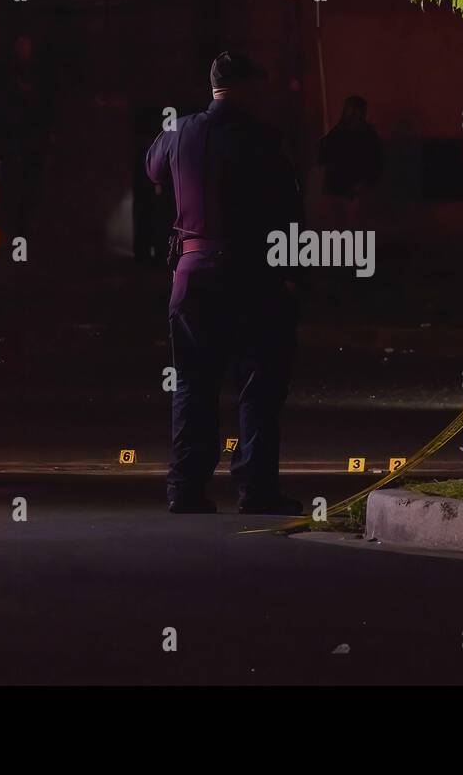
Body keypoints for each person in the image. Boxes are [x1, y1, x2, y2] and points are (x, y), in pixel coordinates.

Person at [145, 51, 304, 515]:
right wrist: (294, 275)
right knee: (259, 381)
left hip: (192, 277)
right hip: (251, 276)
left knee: (193, 382)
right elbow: (286, 213)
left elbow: (152, 169)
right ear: (244, 87)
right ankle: (255, 488)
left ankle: (185, 487)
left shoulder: (179, 130)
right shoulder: (263, 139)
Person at [317, 95, 383, 228]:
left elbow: (377, 162)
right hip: (338, 190)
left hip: (357, 191)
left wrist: (363, 185)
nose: (353, 114)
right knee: (339, 229)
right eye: (350, 109)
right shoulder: (338, 132)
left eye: (356, 110)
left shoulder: (368, 135)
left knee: (353, 229)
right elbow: (323, 157)